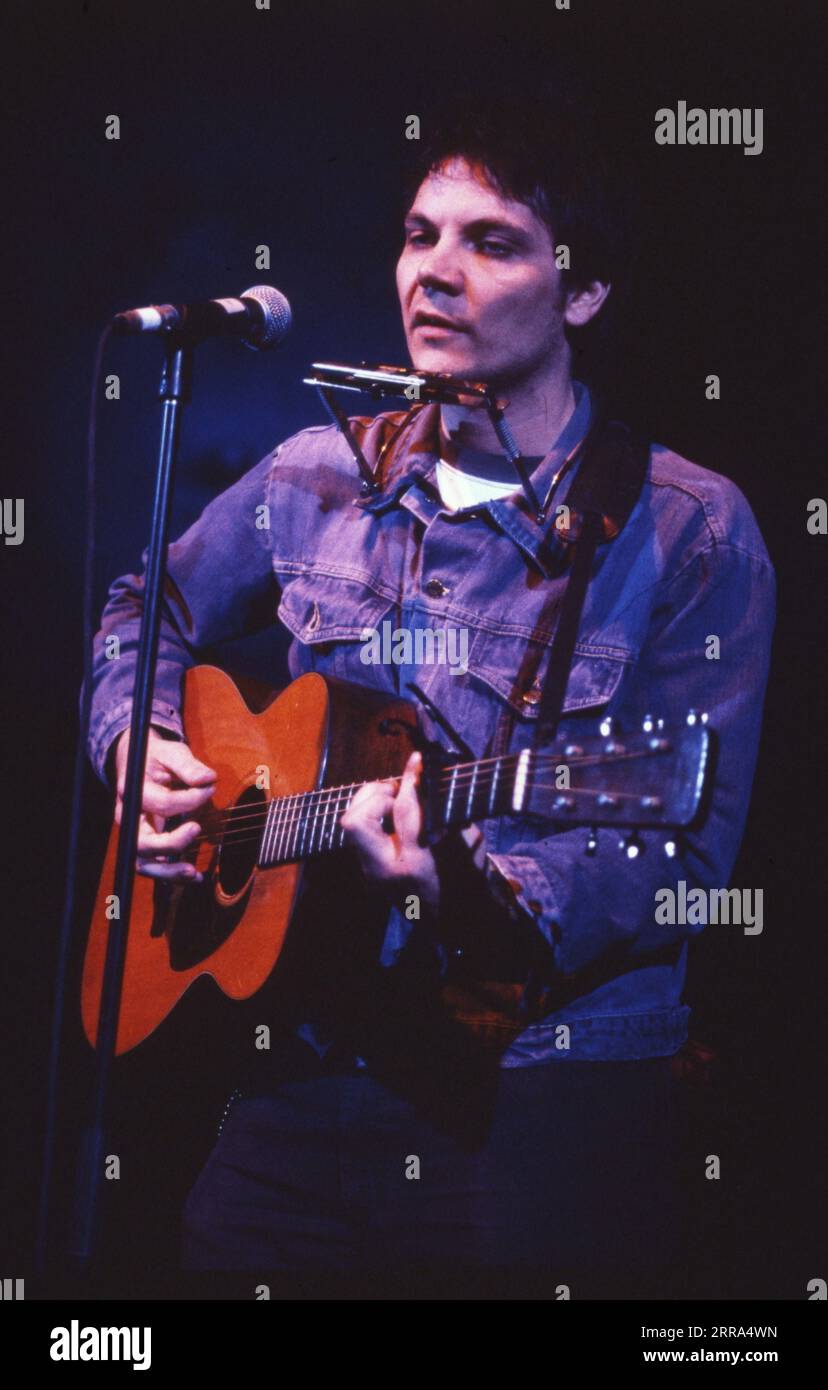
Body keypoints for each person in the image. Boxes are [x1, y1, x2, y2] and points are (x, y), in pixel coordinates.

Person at [87, 92, 775, 1298]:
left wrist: (461, 888)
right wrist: (135, 746)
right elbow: (144, 608)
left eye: (492, 242)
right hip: (299, 1067)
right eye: (419, 236)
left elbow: (679, 856)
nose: (436, 274)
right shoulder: (317, 474)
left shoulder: (690, 528)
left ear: (584, 291)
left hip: (540, 1091)